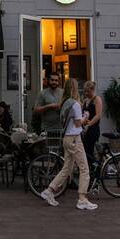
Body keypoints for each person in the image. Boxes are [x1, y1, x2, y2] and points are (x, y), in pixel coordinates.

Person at [40, 79, 96, 211]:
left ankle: (49, 190)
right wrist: (85, 116)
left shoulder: (64, 102)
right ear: (74, 89)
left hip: (66, 138)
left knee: (67, 168)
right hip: (75, 138)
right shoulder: (75, 104)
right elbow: (78, 123)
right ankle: (82, 199)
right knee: (84, 169)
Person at [80, 80, 102, 168]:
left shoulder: (97, 99)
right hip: (85, 129)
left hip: (93, 129)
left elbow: (98, 115)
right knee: (86, 151)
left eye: (88, 91)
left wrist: (89, 124)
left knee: (88, 150)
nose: (86, 93)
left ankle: (94, 170)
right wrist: (83, 121)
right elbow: (82, 113)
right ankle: (92, 170)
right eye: (85, 91)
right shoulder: (85, 100)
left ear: (93, 90)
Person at [34, 72, 63, 137]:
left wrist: (60, 107)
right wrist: (48, 106)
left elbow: (68, 109)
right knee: (48, 147)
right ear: (48, 80)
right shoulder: (42, 93)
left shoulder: (63, 93)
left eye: (56, 80)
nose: (54, 82)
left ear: (59, 82)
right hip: (47, 128)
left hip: (61, 128)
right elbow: (36, 110)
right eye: (52, 80)